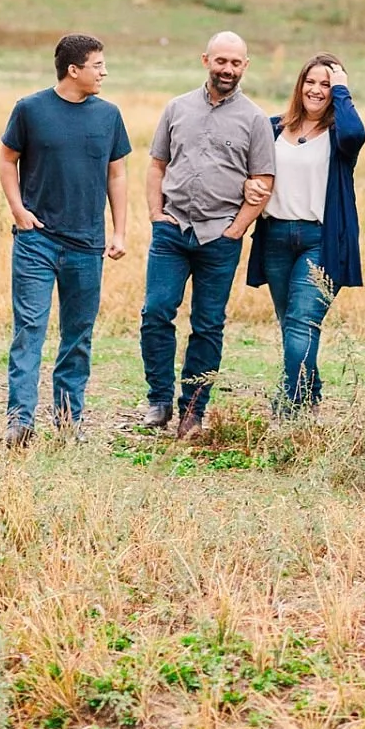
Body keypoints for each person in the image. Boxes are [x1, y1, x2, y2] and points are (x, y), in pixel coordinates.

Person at [0, 33, 132, 447]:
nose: (104, 72)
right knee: (30, 329)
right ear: (74, 70)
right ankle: (20, 422)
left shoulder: (109, 116)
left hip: (87, 244)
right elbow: (6, 159)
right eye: (98, 65)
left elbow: (117, 174)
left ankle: (69, 422)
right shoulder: (30, 109)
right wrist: (19, 212)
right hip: (37, 240)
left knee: (78, 334)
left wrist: (120, 231)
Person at [139, 32, 275, 439]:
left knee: (208, 324)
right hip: (173, 229)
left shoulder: (254, 119)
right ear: (206, 60)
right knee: (155, 311)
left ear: (245, 66)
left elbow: (264, 180)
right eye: (221, 61)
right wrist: (155, 214)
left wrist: (236, 229)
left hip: (220, 236)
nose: (227, 70)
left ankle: (193, 412)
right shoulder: (177, 107)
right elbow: (156, 165)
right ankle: (159, 399)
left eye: (235, 63)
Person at [242, 54, 365, 417]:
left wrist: (342, 87)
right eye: (311, 81)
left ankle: (292, 404)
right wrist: (247, 184)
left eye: (326, 84)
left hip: (320, 240)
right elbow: (251, 170)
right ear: (300, 85)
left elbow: (356, 133)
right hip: (275, 237)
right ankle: (309, 389)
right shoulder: (273, 128)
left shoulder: (341, 135)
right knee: (290, 320)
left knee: (301, 320)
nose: (317, 89)